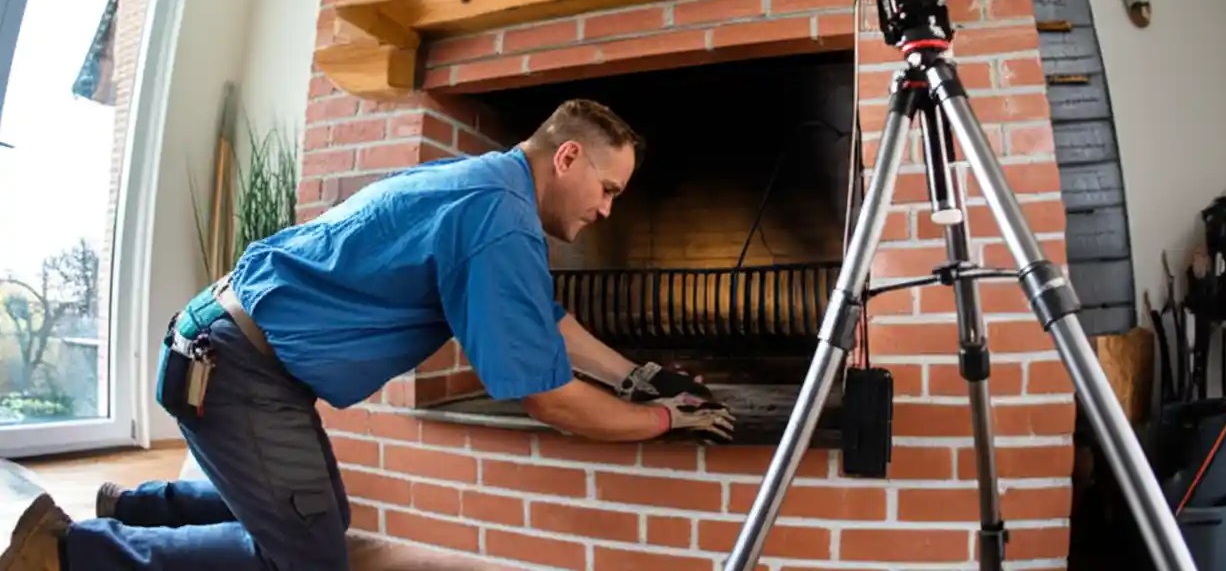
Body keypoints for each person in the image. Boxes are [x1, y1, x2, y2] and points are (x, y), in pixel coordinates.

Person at [2, 99, 735, 571]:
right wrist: (663, 422)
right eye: (608, 190)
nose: (607, 211)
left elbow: (544, 319)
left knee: (323, 518)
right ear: (568, 157)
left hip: (240, 356)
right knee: (309, 558)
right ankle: (72, 551)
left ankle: (130, 505)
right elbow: (551, 399)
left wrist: (637, 377)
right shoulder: (499, 219)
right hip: (234, 369)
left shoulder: (488, 189)